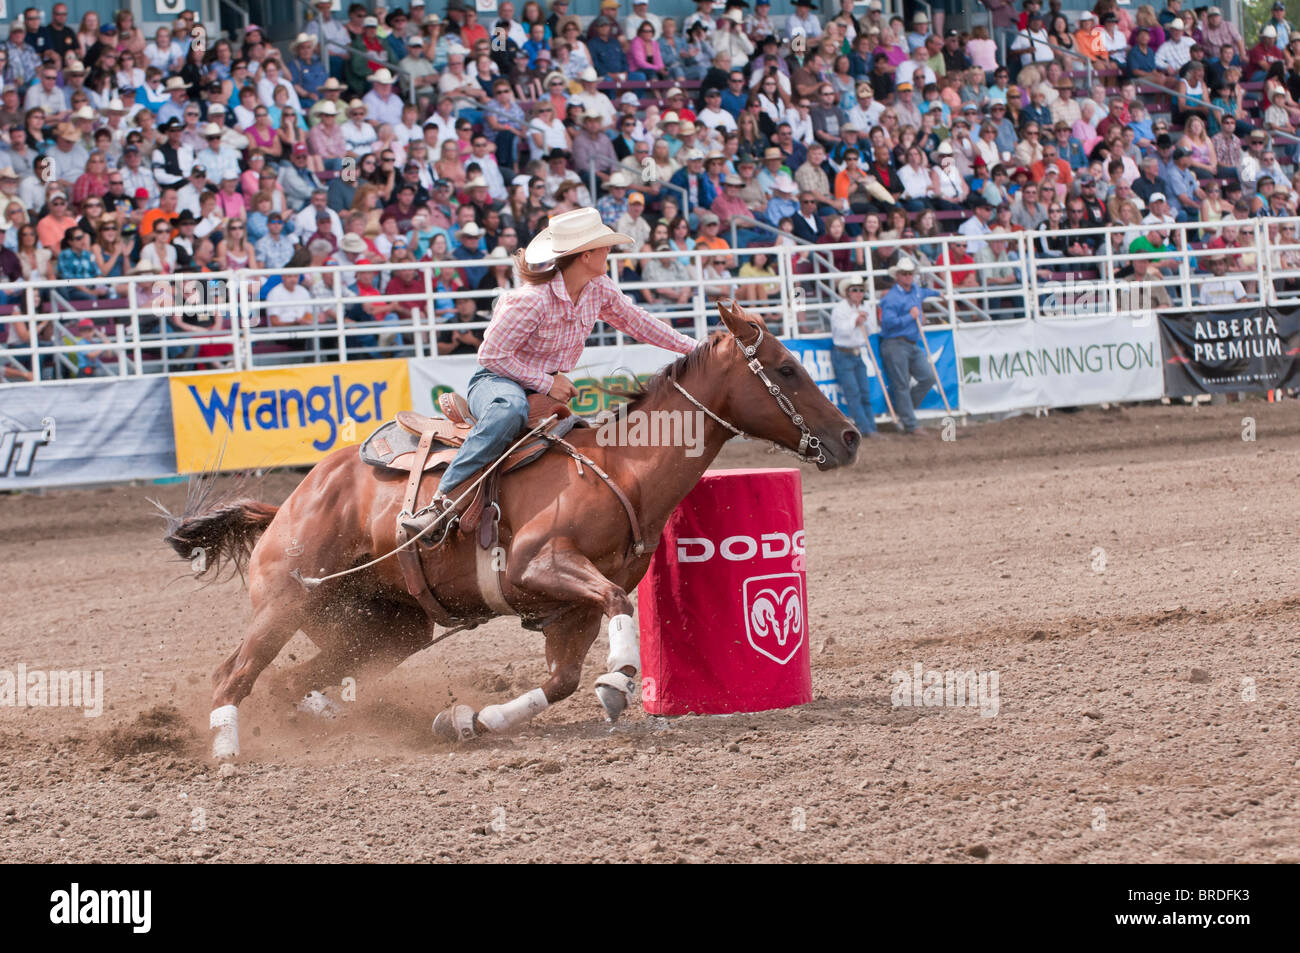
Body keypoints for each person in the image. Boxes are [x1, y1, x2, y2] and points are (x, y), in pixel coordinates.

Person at [400, 208, 700, 539]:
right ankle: (439, 504)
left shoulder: (598, 288)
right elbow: (492, 356)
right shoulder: (532, 300)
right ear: (586, 255)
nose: (609, 252)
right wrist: (547, 382)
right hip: (497, 380)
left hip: (542, 386)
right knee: (508, 410)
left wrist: (695, 349)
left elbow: (637, 321)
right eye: (604, 246)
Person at [878, 256, 943, 437]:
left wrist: (938, 294)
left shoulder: (915, 290)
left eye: (910, 274)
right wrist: (910, 316)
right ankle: (910, 423)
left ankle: (905, 410)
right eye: (904, 274)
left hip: (911, 344)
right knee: (902, 385)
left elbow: (924, 292)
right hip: (895, 343)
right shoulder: (891, 298)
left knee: (928, 377)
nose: (908, 277)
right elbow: (887, 323)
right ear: (897, 276)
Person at [829, 276, 880, 439]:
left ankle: (870, 426)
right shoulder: (840, 309)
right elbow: (840, 331)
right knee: (854, 393)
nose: (858, 293)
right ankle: (866, 428)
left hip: (856, 353)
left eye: (860, 290)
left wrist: (863, 320)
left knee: (864, 392)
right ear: (848, 292)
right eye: (855, 290)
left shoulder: (866, 307)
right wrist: (855, 320)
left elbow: (872, 329)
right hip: (843, 353)